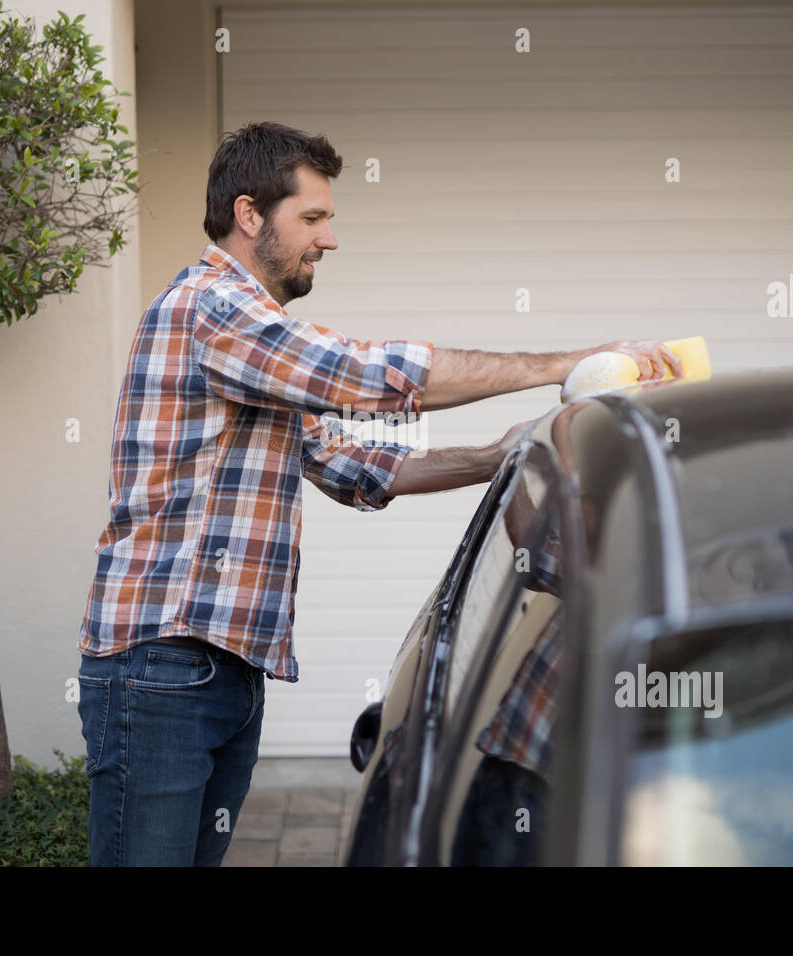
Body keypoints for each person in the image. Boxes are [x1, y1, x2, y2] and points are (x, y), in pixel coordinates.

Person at [75, 120, 682, 866]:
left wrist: (500, 454)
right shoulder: (214, 309)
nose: (328, 239)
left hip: (216, 671)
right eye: (313, 217)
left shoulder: (255, 347)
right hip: (162, 669)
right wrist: (567, 363)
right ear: (248, 215)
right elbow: (366, 376)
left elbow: (355, 466)